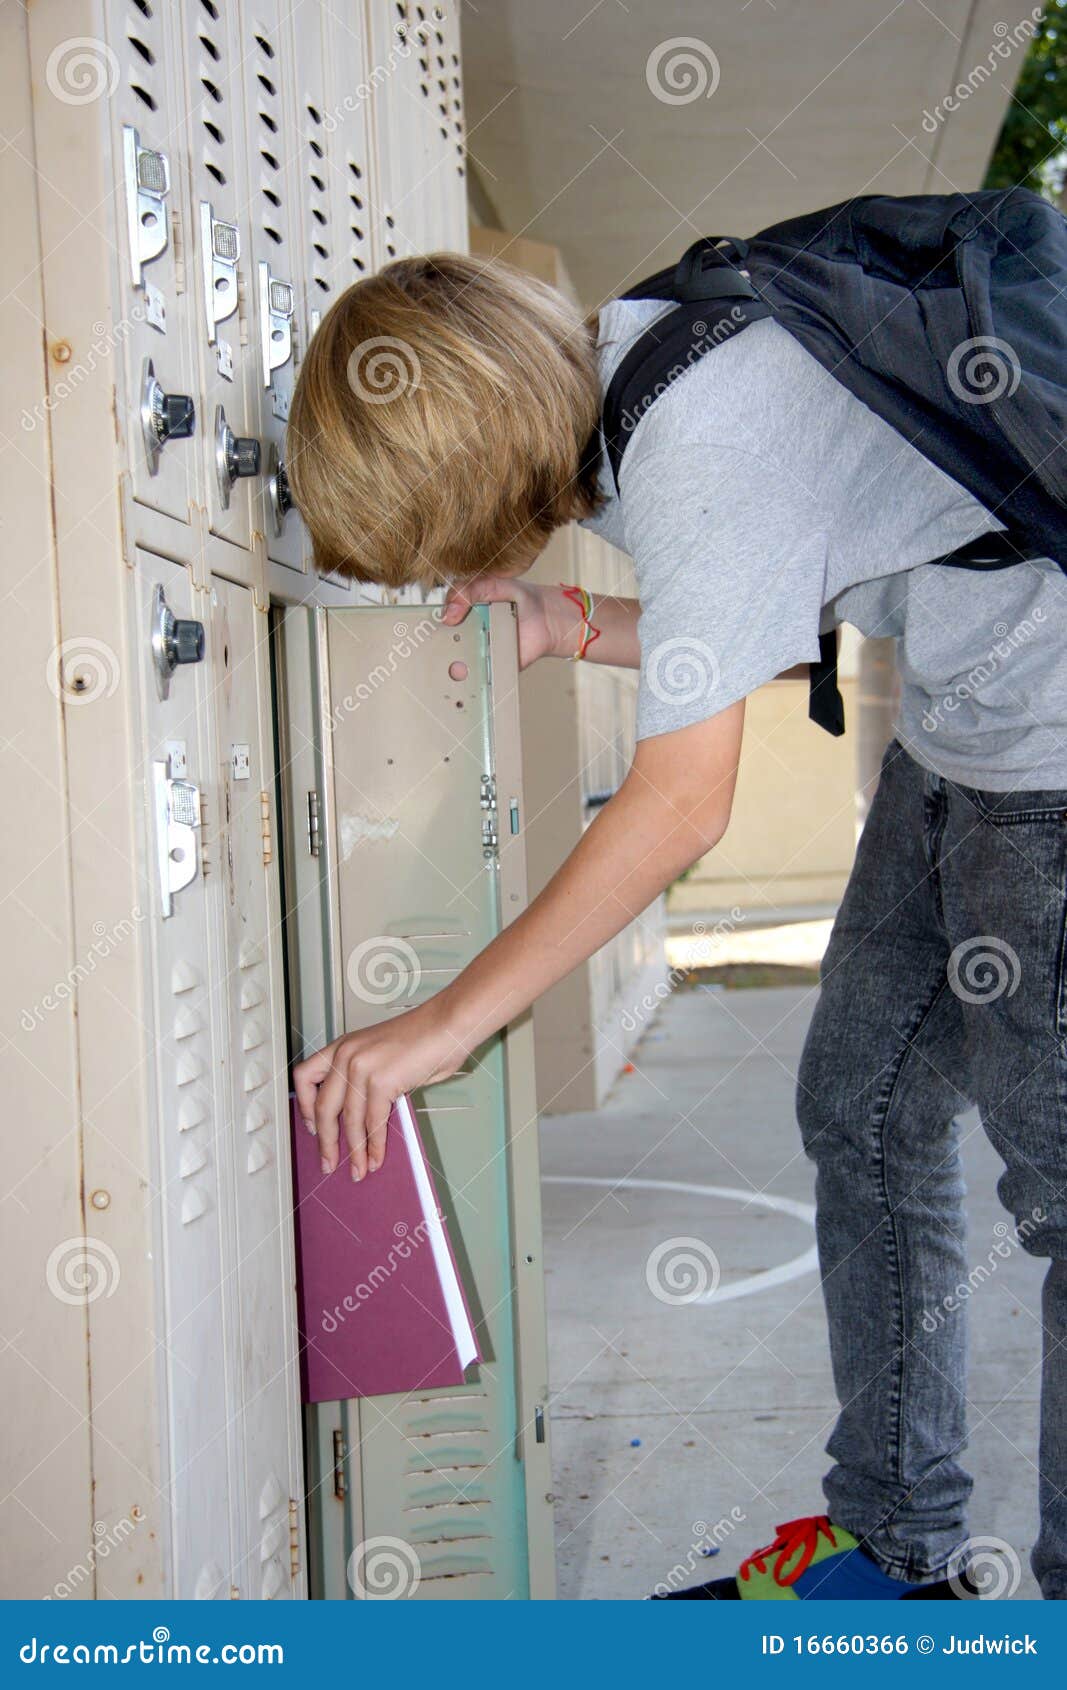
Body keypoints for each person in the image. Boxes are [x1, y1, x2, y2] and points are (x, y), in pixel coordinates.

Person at [288, 249, 1067, 1600]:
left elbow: (677, 810)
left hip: (1048, 754)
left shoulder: (692, 438)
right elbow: (774, 595)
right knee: (865, 1107)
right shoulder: (658, 344)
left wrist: (442, 1025)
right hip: (967, 723)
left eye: (439, 541)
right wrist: (575, 618)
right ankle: (893, 1549)